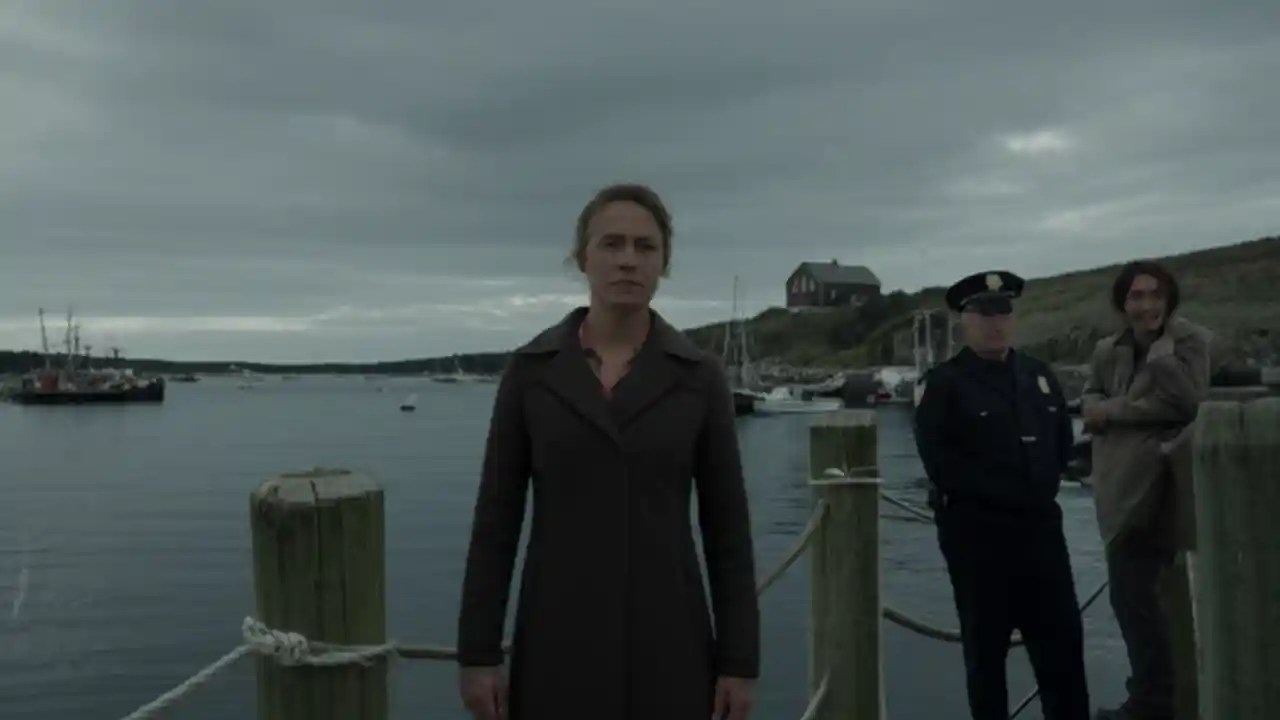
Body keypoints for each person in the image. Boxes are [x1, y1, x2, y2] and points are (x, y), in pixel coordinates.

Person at [456, 183, 760, 720]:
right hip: (557, 639)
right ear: (583, 258)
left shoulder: (700, 377)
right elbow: (496, 524)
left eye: (645, 247)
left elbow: (727, 531)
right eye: (612, 244)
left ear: (664, 262)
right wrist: (479, 655)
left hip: (672, 641)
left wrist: (739, 663)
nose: (628, 261)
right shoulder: (531, 373)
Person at [914, 270, 1091, 720]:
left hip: (1041, 535)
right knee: (986, 658)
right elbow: (942, 465)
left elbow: (1060, 447)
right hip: (979, 540)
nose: (995, 323)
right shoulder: (944, 385)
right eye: (983, 313)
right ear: (964, 321)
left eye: (1003, 312)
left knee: (1064, 653)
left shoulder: (1040, 377)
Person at [1081, 261, 1211, 720]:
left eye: (1155, 294)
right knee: (1131, 596)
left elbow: (1189, 402)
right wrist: (1109, 407)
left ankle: (1153, 702)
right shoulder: (1107, 349)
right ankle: (1154, 696)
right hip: (1117, 484)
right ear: (1123, 303)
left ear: (1169, 298)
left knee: (1134, 594)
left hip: (1161, 486)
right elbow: (1089, 396)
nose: (1147, 304)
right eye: (1137, 296)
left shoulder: (1189, 341)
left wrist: (1115, 412)